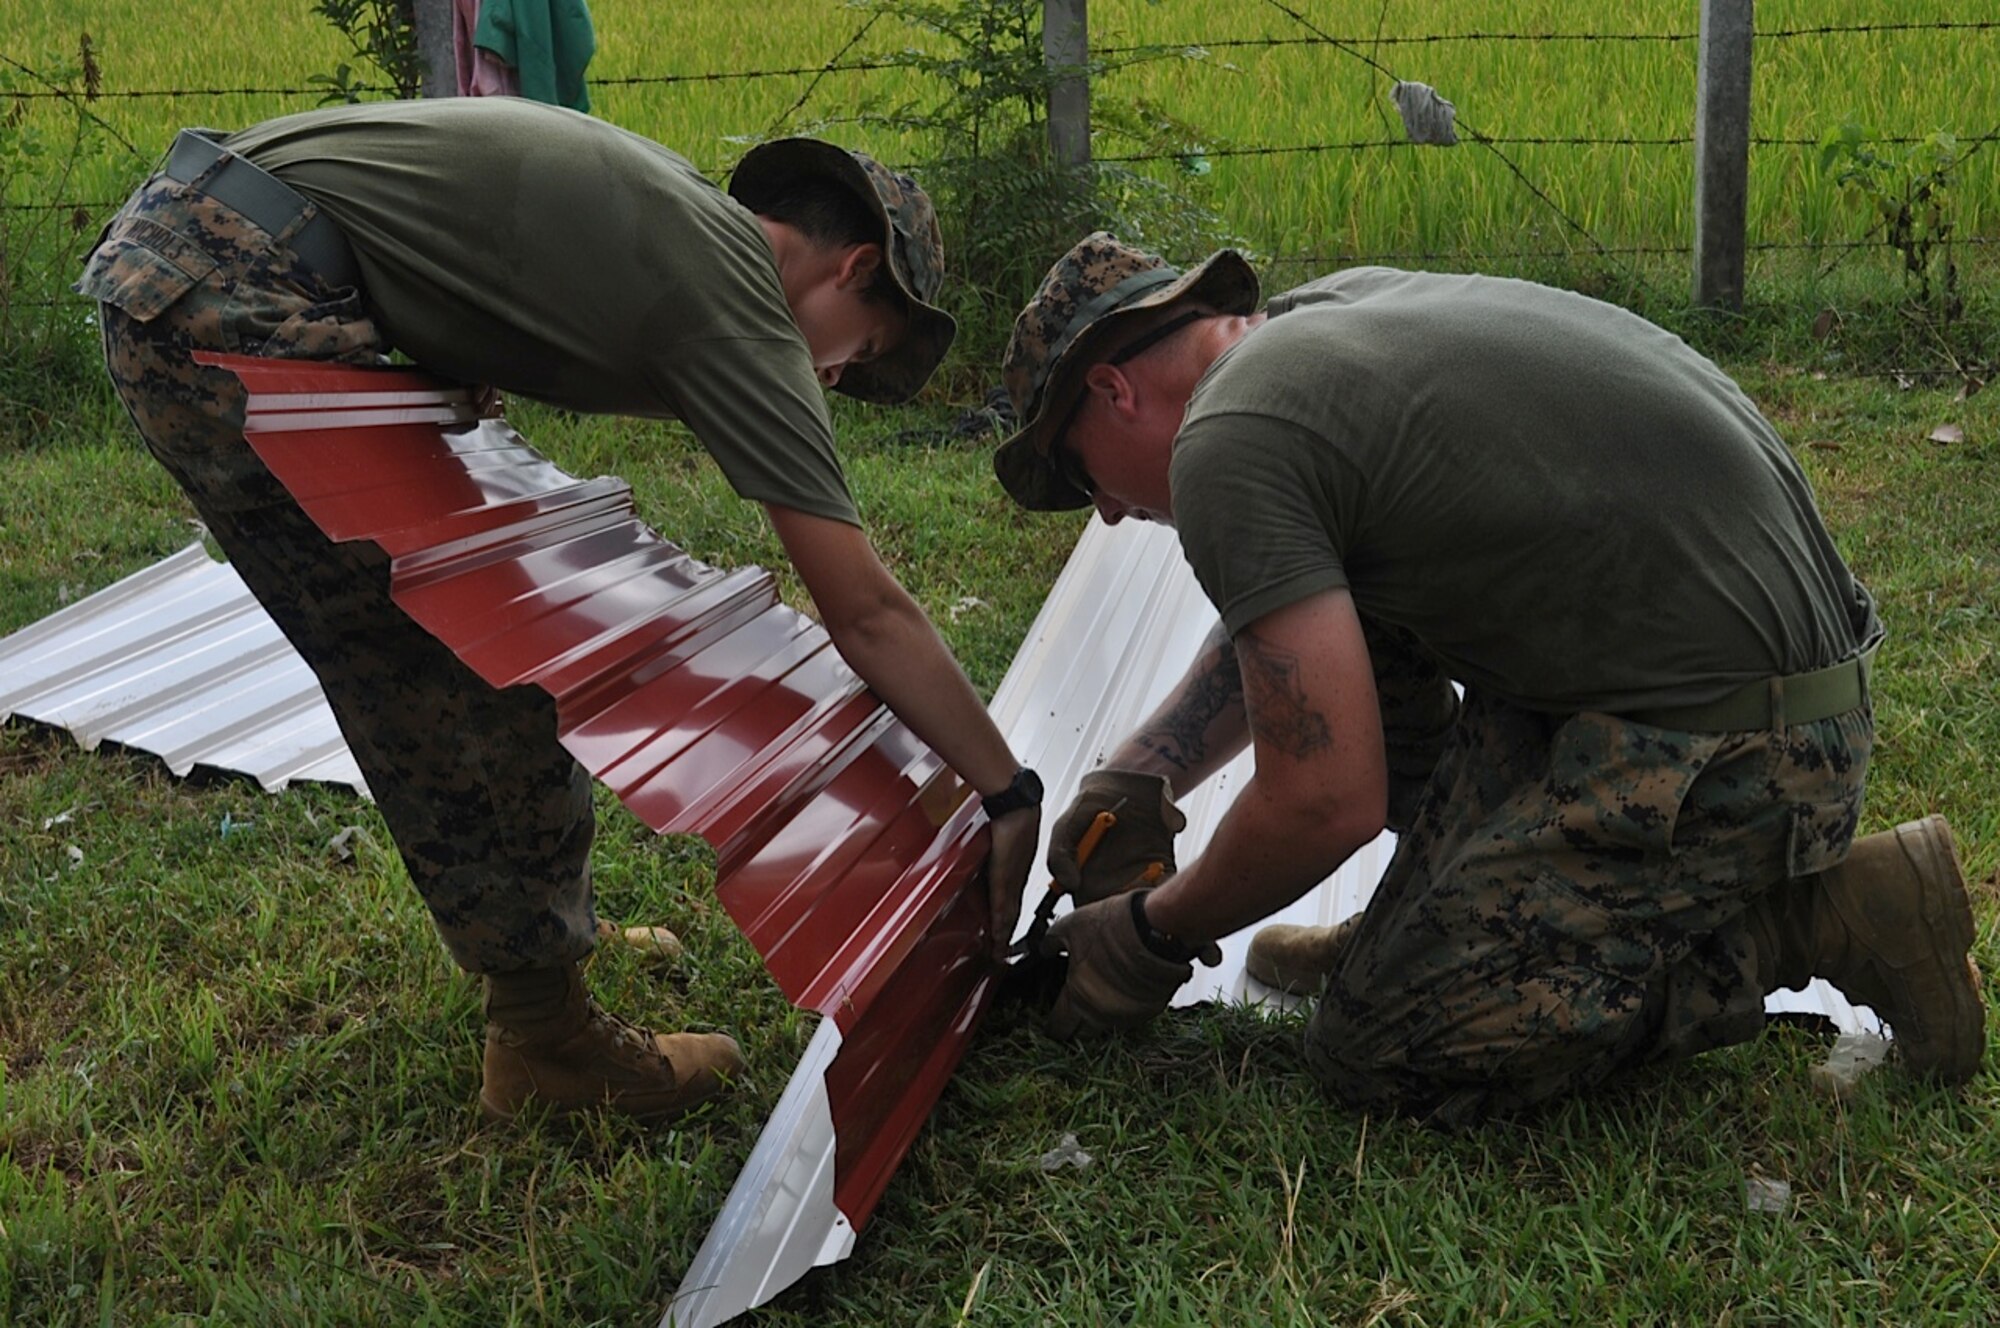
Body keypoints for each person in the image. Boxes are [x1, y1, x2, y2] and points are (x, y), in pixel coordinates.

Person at [75, 97, 1044, 1125]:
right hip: (236, 289)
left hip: (213, 244)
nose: (836, 376)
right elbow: (867, 612)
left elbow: (464, 231)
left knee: (480, 612)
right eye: (861, 350)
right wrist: (1006, 787)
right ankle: (544, 1037)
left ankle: (541, 933)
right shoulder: (736, 299)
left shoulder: (680, 219)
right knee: (455, 654)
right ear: (852, 268)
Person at [991, 232, 1985, 1127]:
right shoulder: (1307, 333)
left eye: (1080, 474)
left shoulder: (1225, 441)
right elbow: (1300, 614)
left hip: (1743, 744)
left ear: (1113, 391)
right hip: (1708, 681)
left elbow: (1322, 801)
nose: (1105, 512)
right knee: (1367, 619)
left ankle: (1822, 919)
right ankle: (1434, 919)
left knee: (1384, 1047)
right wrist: (1145, 770)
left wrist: (1148, 935)